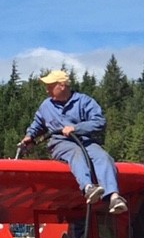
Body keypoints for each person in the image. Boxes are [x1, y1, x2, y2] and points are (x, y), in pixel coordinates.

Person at [20, 69, 127, 214]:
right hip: (59, 143)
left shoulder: (84, 101)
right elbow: (37, 125)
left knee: (103, 157)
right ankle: (88, 187)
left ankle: (113, 196)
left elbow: (99, 122)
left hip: (84, 141)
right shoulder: (46, 106)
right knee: (76, 153)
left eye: (50, 86)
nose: (47, 90)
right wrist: (29, 136)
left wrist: (76, 128)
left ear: (62, 85)